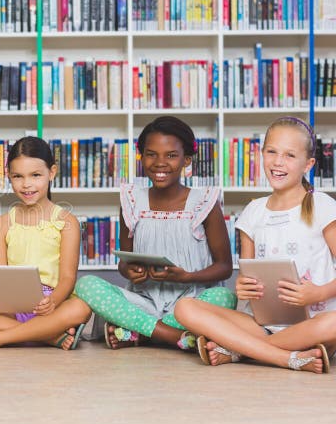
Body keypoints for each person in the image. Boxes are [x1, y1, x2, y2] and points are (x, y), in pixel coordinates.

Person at [175, 116, 336, 373]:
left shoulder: (324, 206)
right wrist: (243, 287)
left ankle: (241, 351)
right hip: (262, 324)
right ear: (261, 154)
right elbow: (246, 278)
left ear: (309, 164)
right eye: (271, 151)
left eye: (290, 155)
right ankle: (285, 357)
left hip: (313, 326)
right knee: (184, 307)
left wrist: (318, 294)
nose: (278, 162)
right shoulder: (253, 211)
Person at [74, 116, 235, 350]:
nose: (160, 163)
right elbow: (124, 263)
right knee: (86, 284)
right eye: (151, 154)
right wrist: (131, 272)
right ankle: (173, 336)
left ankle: (140, 332)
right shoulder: (131, 200)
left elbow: (225, 267)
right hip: (144, 301)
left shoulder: (204, 202)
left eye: (171, 155)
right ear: (141, 157)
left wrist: (186, 277)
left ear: (186, 160)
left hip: (191, 303)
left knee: (224, 299)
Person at [0, 136, 92, 350]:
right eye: (18, 176)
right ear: (9, 177)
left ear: (52, 172)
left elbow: (67, 278)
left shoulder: (67, 222)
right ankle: (47, 337)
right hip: (10, 305)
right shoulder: (1, 225)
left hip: (50, 306)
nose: (27, 184)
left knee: (81, 308)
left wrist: (53, 301)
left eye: (36, 175)